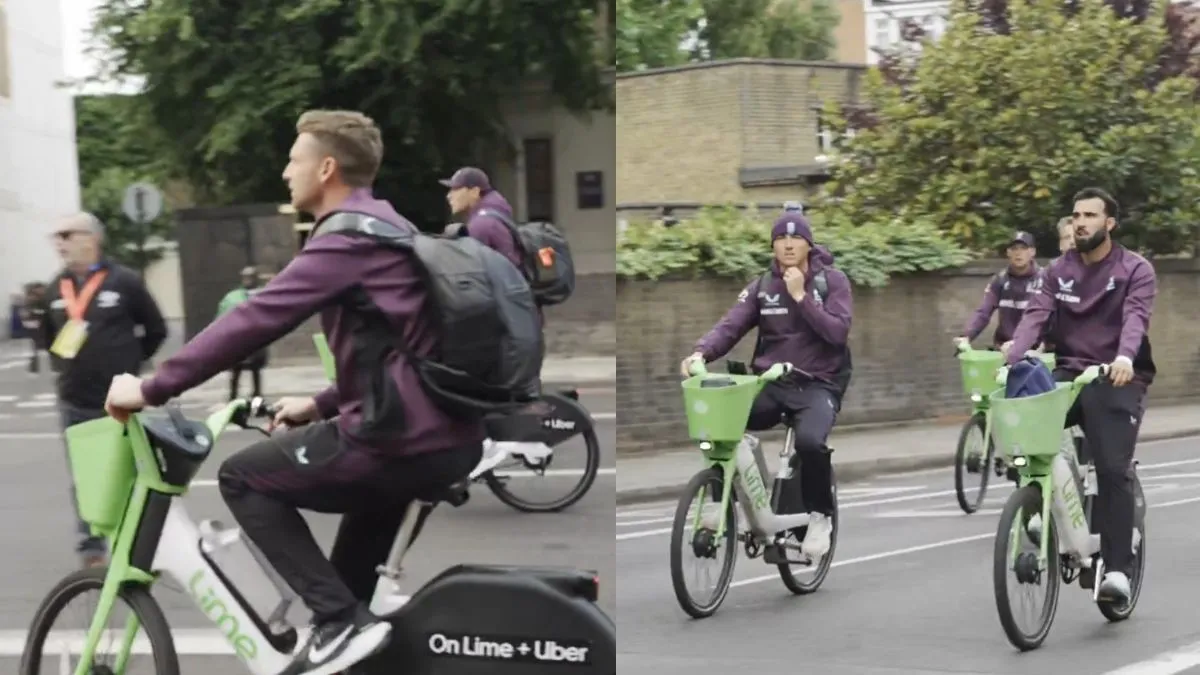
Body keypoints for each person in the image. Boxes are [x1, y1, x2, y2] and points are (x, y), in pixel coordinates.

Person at [104, 109, 484, 675]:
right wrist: (321, 403)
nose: (286, 171)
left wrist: (153, 386)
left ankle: (339, 621)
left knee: (244, 477)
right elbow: (395, 348)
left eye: (293, 159)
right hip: (441, 433)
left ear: (326, 168)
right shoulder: (389, 225)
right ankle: (346, 626)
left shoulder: (346, 238)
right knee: (347, 608)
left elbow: (256, 318)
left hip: (399, 439)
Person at [1002, 187, 1155, 606]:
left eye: (1090, 215)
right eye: (1076, 216)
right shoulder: (1058, 270)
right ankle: (1041, 508)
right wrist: (1013, 356)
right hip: (1070, 372)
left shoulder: (1134, 269)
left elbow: (1135, 318)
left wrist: (1124, 358)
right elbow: (1036, 314)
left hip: (1116, 376)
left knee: (1111, 468)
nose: (1080, 222)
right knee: (1024, 434)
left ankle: (1118, 570)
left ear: (1110, 223)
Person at [679, 212, 853, 560]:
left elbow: (837, 333)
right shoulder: (762, 286)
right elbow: (731, 325)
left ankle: (820, 517)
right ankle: (728, 501)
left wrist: (801, 296)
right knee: (721, 425)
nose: (788, 245)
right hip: (772, 382)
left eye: (796, 238)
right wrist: (701, 352)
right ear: (773, 245)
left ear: (808, 244)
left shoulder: (832, 282)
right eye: (780, 239)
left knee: (810, 442)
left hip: (818, 383)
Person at [39, 212, 168, 568]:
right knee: (86, 476)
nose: (60, 243)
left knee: (127, 473)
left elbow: (155, 329)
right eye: (56, 237)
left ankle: (133, 545)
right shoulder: (54, 288)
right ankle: (92, 549)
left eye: (67, 235)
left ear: (92, 239)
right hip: (74, 400)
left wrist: (130, 364)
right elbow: (49, 339)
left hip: (120, 400)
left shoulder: (124, 281)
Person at [440, 167, 547, 475]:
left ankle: (489, 445)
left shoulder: (483, 225)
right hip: (519, 318)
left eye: (455, 188)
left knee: (469, 375)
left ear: (474, 191)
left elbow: (473, 276)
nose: (449, 195)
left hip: (509, 322)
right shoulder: (494, 215)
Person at [953, 231, 1042, 353]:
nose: (1018, 253)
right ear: (1008, 252)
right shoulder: (1000, 280)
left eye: (1023, 248)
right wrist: (966, 336)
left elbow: (1052, 318)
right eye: (1014, 248)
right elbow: (983, 312)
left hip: (1035, 350)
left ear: (1032, 252)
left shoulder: (1045, 279)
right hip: (1004, 348)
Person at [216, 266, 269, 401]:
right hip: (238, 338)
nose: (247, 280)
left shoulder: (264, 293)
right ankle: (233, 396)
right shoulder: (233, 296)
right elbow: (223, 313)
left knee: (255, 369)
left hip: (256, 337)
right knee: (236, 369)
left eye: (250, 277)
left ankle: (257, 394)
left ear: (255, 278)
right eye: (245, 277)